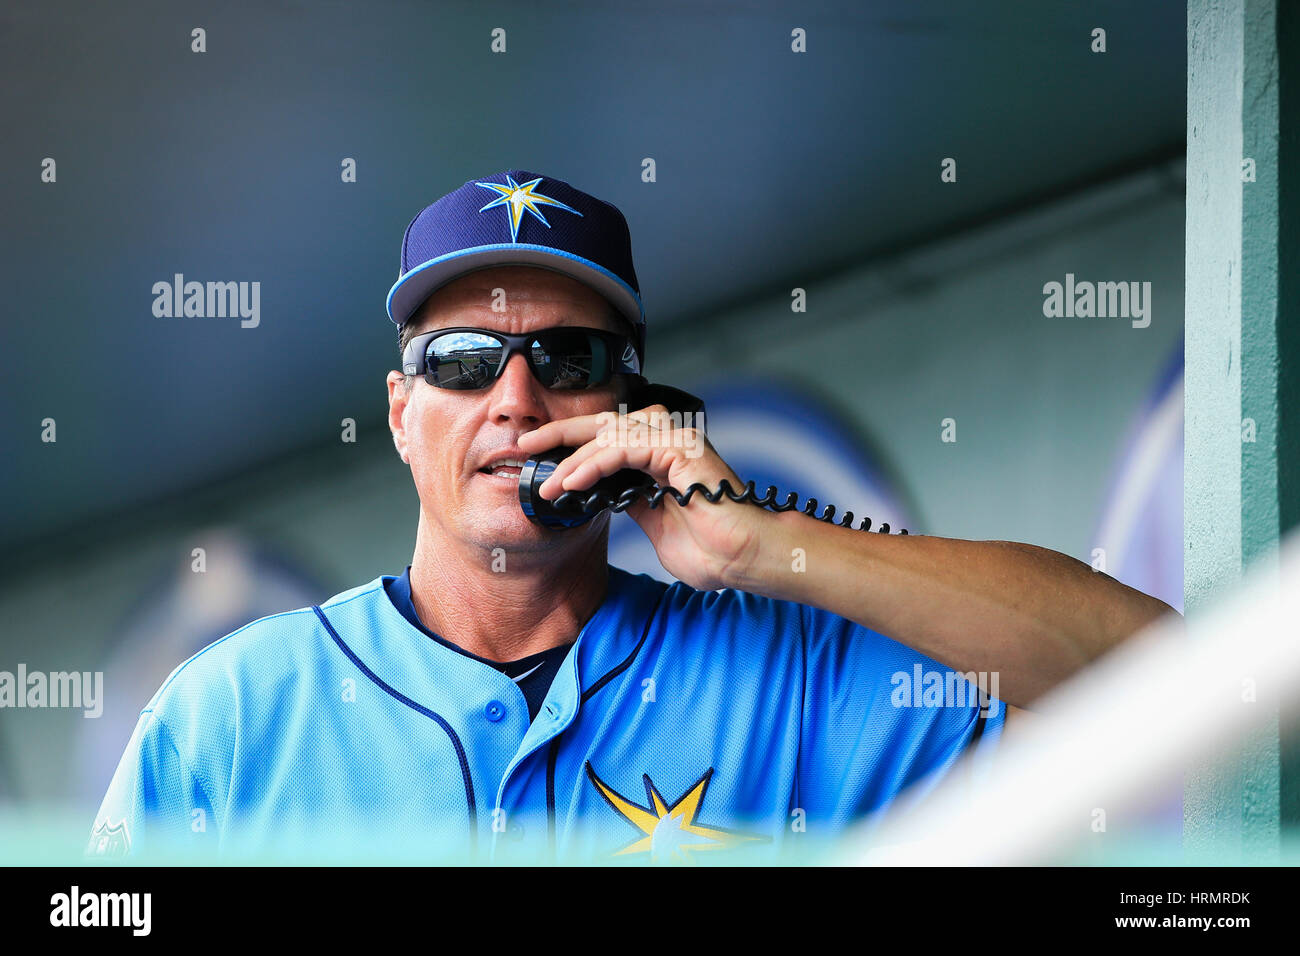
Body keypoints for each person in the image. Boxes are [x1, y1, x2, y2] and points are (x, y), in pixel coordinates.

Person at [87, 169, 1176, 865]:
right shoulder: (232, 715)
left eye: (569, 358)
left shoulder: (788, 674)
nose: (515, 399)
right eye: (462, 362)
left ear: (635, 403)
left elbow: (1160, 673)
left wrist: (760, 542)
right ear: (400, 412)